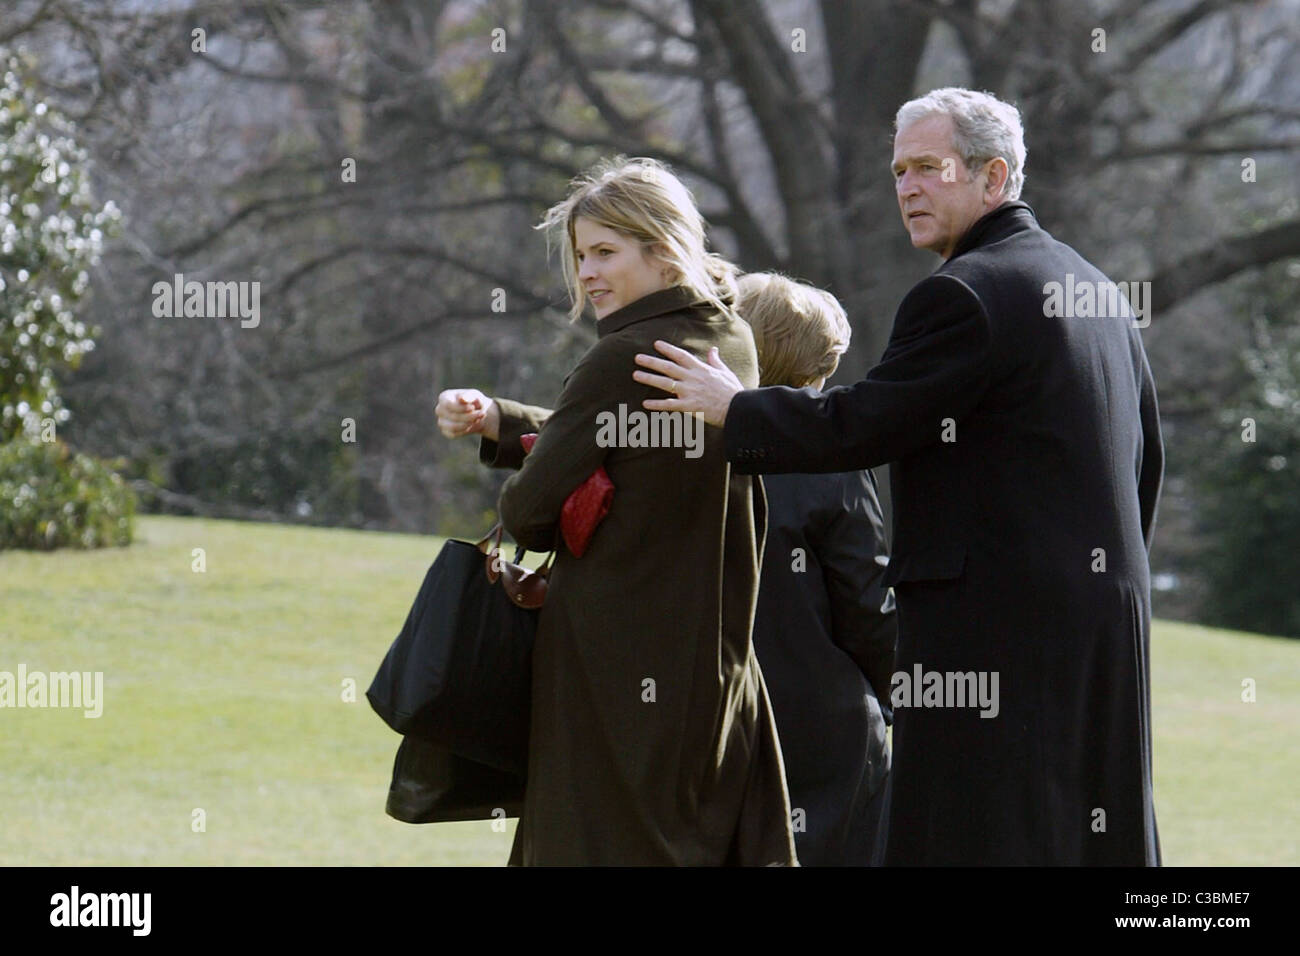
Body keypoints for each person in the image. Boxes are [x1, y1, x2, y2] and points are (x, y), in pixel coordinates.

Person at [633, 88, 1164, 866]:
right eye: (898, 171)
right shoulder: (1100, 294)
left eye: (927, 168)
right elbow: (1147, 457)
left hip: (992, 630)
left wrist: (737, 408)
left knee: (978, 837)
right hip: (1107, 621)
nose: (907, 188)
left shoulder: (964, 292)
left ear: (993, 176)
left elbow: (868, 420)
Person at [434, 156, 797, 866]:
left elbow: (530, 511)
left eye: (605, 252)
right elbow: (639, 435)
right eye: (580, 256)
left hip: (611, 667)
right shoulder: (729, 342)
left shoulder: (619, 358)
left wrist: (533, 457)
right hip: (709, 665)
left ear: (662, 250)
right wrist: (502, 423)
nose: (588, 274)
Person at [736, 272, 897, 865]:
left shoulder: (687, 446)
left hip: (715, 718)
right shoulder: (832, 458)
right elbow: (866, 602)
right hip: (824, 726)